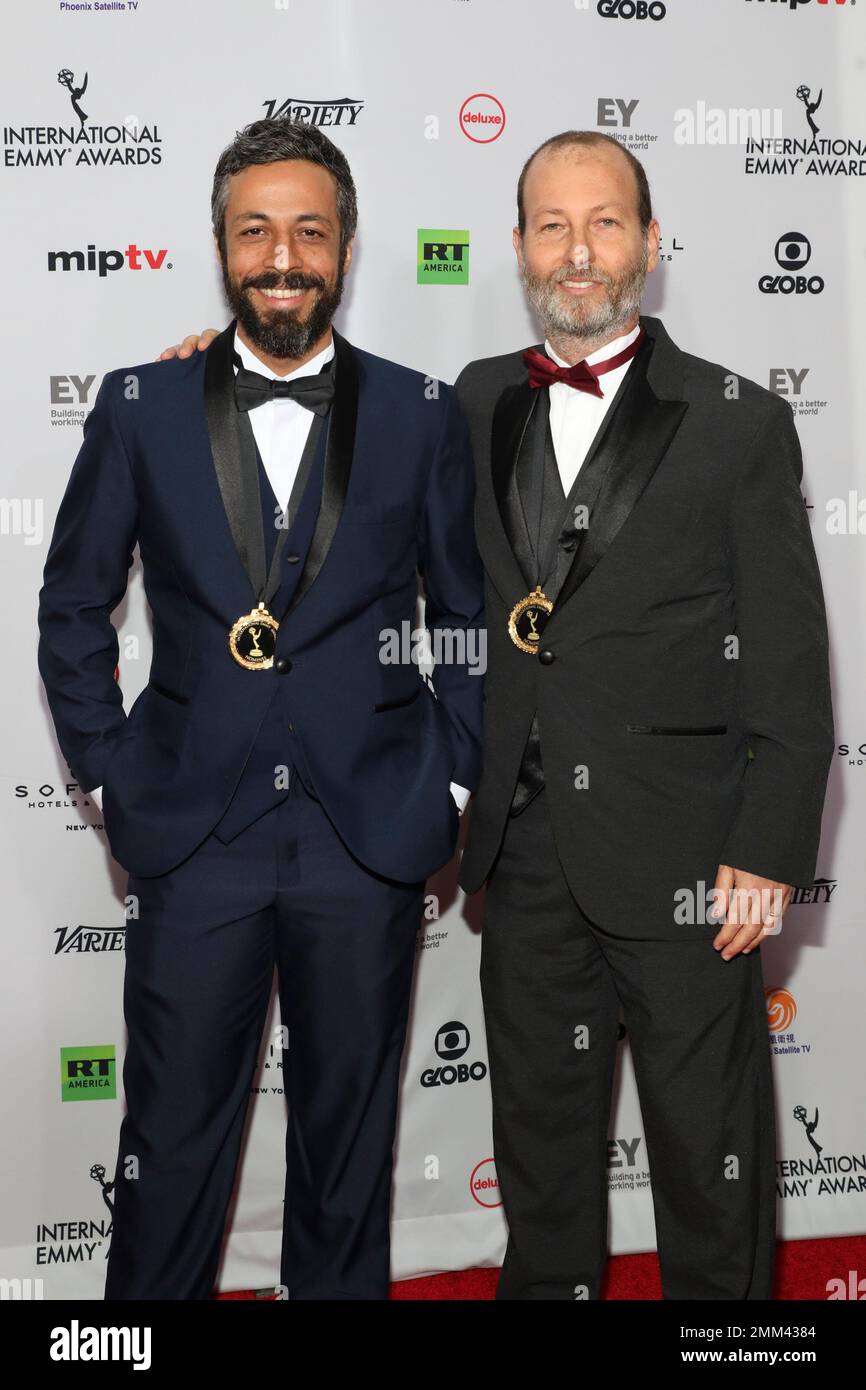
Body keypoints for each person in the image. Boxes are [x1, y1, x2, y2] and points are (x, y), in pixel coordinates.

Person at [161, 129, 834, 1301]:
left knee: (711, 1173)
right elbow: (336, 452)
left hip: (689, 866)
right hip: (519, 866)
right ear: (519, 246)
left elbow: (787, 658)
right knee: (541, 1172)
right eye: (552, 226)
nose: (578, 251)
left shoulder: (734, 418)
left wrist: (765, 850)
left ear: (649, 243)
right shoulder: (471, 405)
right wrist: (205, 382)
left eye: (604, 222)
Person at [37, 117, 483, 1301]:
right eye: (255, 230)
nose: (281, 255)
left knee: (346, 1157)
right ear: (221, 246)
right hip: (194, 834)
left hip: (366, 837)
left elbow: (468, 615)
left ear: (343, 246)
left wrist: (444, 780)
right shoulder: (139, 405)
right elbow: (73, 603)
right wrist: (105, 775)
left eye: (307, 230)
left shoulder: (421, 411)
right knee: (169, 1153)